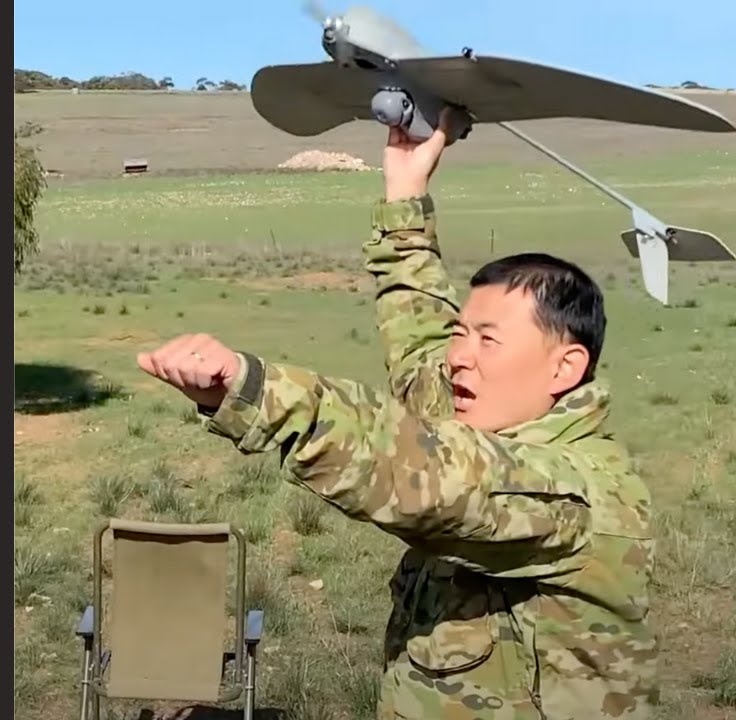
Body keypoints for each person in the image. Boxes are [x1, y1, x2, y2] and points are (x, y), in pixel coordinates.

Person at [135, 112, 658, 719]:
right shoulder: (486, 404)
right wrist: (405, 197)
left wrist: (254, 389)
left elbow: (426, 473)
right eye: (461, 333)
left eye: (487, 341)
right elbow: (420, 346)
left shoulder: (583, 496)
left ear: (564, 368)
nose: (458, 358)